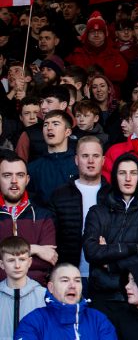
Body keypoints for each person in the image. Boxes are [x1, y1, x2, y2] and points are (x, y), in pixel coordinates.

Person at [83, 152, 138, 304]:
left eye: (133, 173)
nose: (128, 178)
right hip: (103, 293)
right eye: (122, 173)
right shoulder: (97, 211)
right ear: (115, 176)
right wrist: (134, 248)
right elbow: (92, 252)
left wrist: (112, 263)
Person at [47, 136, 107, 290]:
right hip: (68, 277)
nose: (91, 161)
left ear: (103, 160)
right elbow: (52, 237)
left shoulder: (112, 195)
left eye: (96, 156)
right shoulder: (60, 194)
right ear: (76, 160)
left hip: (104, 276)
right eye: (85, 156)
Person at [14, 264, 116, 340]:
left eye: (77, 280)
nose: (72, 285)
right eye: (65, 280)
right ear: (51, 287)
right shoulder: (32, 322)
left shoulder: (99, 320)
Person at [0, 153, 55, 286]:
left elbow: (48, 260)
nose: (14, 180)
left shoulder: (43, 215)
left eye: (20, 175)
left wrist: (5, 260)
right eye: (7, 175)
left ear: (27, 179)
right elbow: (39, 259)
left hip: (34, 293)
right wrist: (35, 249)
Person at [26, 111, 78, 206]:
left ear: (68, 132)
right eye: (45, 125)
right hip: (43, 220)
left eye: (55, 124)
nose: (49, 128)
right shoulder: (33, 168)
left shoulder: (79, 165)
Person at [0, 236, 46, 340]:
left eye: (22, 259)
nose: (17, 265)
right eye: (11, 260)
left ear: (29, 262)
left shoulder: (43, 296)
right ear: (2, 264)